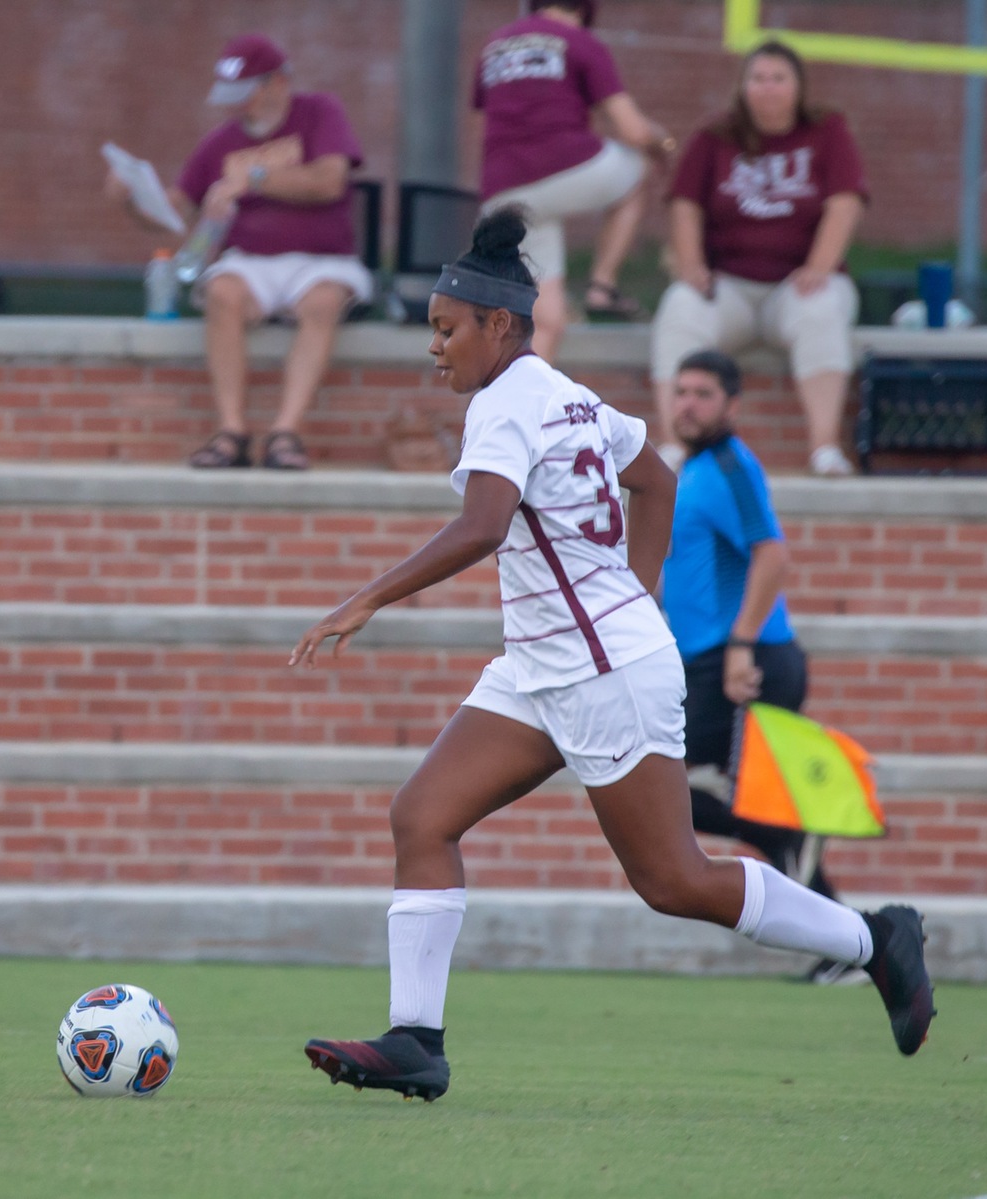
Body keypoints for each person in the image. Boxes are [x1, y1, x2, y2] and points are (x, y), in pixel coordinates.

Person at [289, 208, 933, 1103]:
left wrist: (366, 598)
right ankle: (416, 1041)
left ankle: (876, 939)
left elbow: (482, 527)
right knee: (421, 818)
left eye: (446, 330)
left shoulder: (506, 401)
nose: (434, 349)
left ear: (499, 325)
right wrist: (640, 591)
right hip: (545, 664)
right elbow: (654, 478)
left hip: (600, 671)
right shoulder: (564, 391)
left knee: (673, 880)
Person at [662, 350, 854, 984]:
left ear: (731, 407)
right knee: (652, 784)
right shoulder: (690, 468)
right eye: (681, 391)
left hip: (747, 662)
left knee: (643, 775)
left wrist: (741, 645)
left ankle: (840, 928)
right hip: (709, 662)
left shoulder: (731, 468)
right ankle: (839, 932)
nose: (688, 403)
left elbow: (773, 557)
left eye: (703, 394)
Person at [106, 34, 372, 470]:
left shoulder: (319, 112)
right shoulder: (219, 141)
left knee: (323, 302)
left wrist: (253, 179)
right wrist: (131, 198)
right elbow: (177, 213)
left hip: (324, 261)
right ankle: (232, 431)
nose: (238, 105)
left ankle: (286, 432)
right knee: (222, 293)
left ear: (278, 83)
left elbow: (330, 181)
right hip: (249, 262)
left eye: (246, 93)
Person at [650, 41, 869, 478]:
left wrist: (820, 265)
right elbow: (683, 204)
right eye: (758, 78)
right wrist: (691, 264)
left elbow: (846, 202)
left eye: (778, 78)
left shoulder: (827, 131)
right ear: (743, 86)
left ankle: (824, 448)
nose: (767, 87)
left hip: (797, 285)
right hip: (728, 286)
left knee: (822, 310)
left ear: (799, 87)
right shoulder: (715, 137)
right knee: (680, 306)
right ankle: (674, 445)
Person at [473, 0, 675, 361]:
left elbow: (486, 120)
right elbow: (633, 130)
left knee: (544, 322)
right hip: (565, 170)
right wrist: (664, 143)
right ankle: (603, 286)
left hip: (502, 190)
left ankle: (518, 412)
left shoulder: (495, 43)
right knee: (639, 166)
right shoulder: (580, 41)